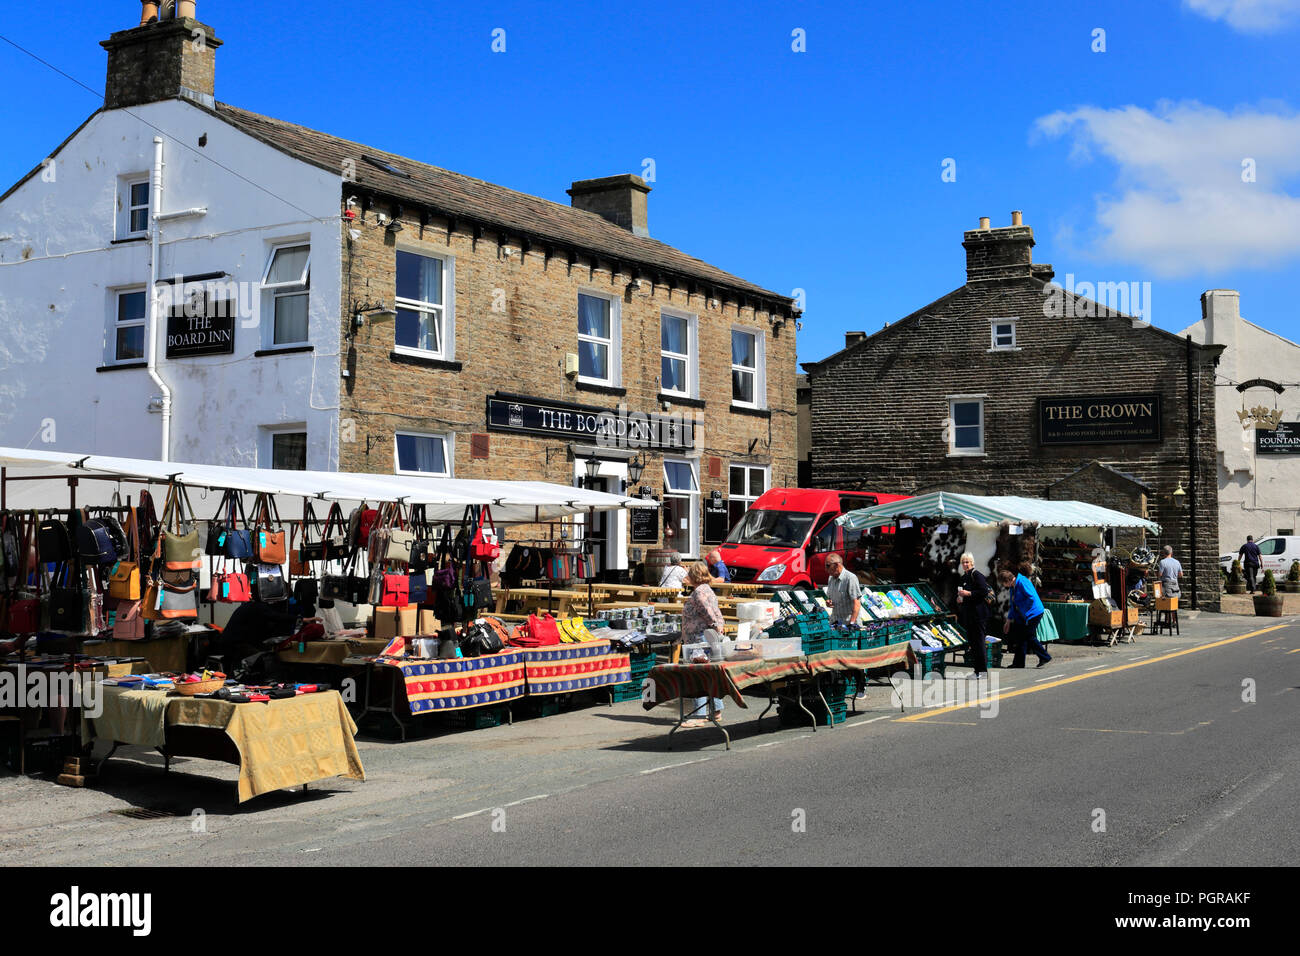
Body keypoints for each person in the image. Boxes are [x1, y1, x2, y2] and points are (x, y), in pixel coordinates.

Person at [679, 561, 728, 728]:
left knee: (698, 676)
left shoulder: (699, 592)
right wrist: (718, 626)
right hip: (705, 636)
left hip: (700, 638)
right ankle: (716, 711)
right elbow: (716, 613)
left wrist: (716, 625)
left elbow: (709, 614)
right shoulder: (708, 590)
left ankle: (699, 715)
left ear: (694, 576)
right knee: (710, 675)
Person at [999, 564, 1051, 669]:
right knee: (1020, 637)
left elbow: (1031, 598)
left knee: (1028, 635)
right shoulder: (1013, 587)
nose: (1004, 585)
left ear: (1007, 581)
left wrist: (1024, 611)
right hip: (1022, 615)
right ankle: (1019, 663)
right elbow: (1013, 605)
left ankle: (1045, 656)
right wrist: (1008, 621)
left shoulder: (1022, 582)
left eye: (1003, 583)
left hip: (1034, 612)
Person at [956, 552, 991, 678]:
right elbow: (961, 593)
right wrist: (960, 598)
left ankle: (983, 672)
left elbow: (983, 591)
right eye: (963, 562)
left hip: (979, 615)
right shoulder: (963, 577)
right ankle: (977, 671)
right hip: (969, 614)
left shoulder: (976, 575)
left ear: (972, 563)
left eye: (967, 562)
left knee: (979, 643)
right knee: (973, 644)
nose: (965, 564)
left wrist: (969, 594)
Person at [823, 553, 861, 627]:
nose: (826, 569)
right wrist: (828, 602)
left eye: (828, 566)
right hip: (835, 623)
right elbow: (829, 598)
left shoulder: (850, 578)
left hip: (848, 624)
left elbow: (857, 604)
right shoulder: (831, 578)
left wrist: (852, 624)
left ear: (837, 565)